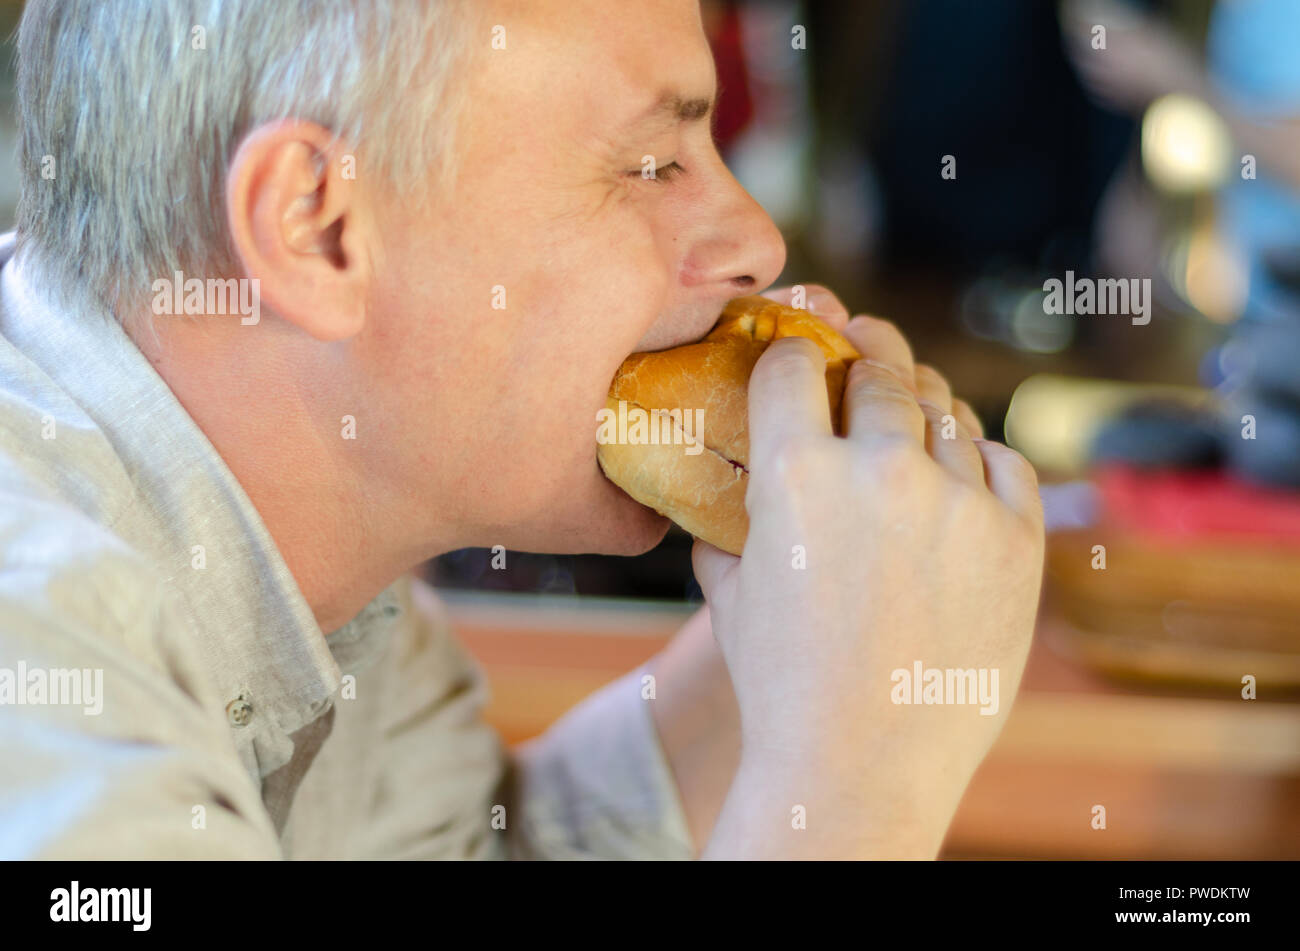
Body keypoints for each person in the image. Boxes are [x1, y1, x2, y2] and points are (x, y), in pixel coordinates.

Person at [0, 0, 1043, 859]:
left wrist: (828, 631)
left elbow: (489, 847)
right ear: (316, 228)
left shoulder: (338, 586)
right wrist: (859, 781)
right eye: (648, 165)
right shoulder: (38, 658)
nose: (756, 245)